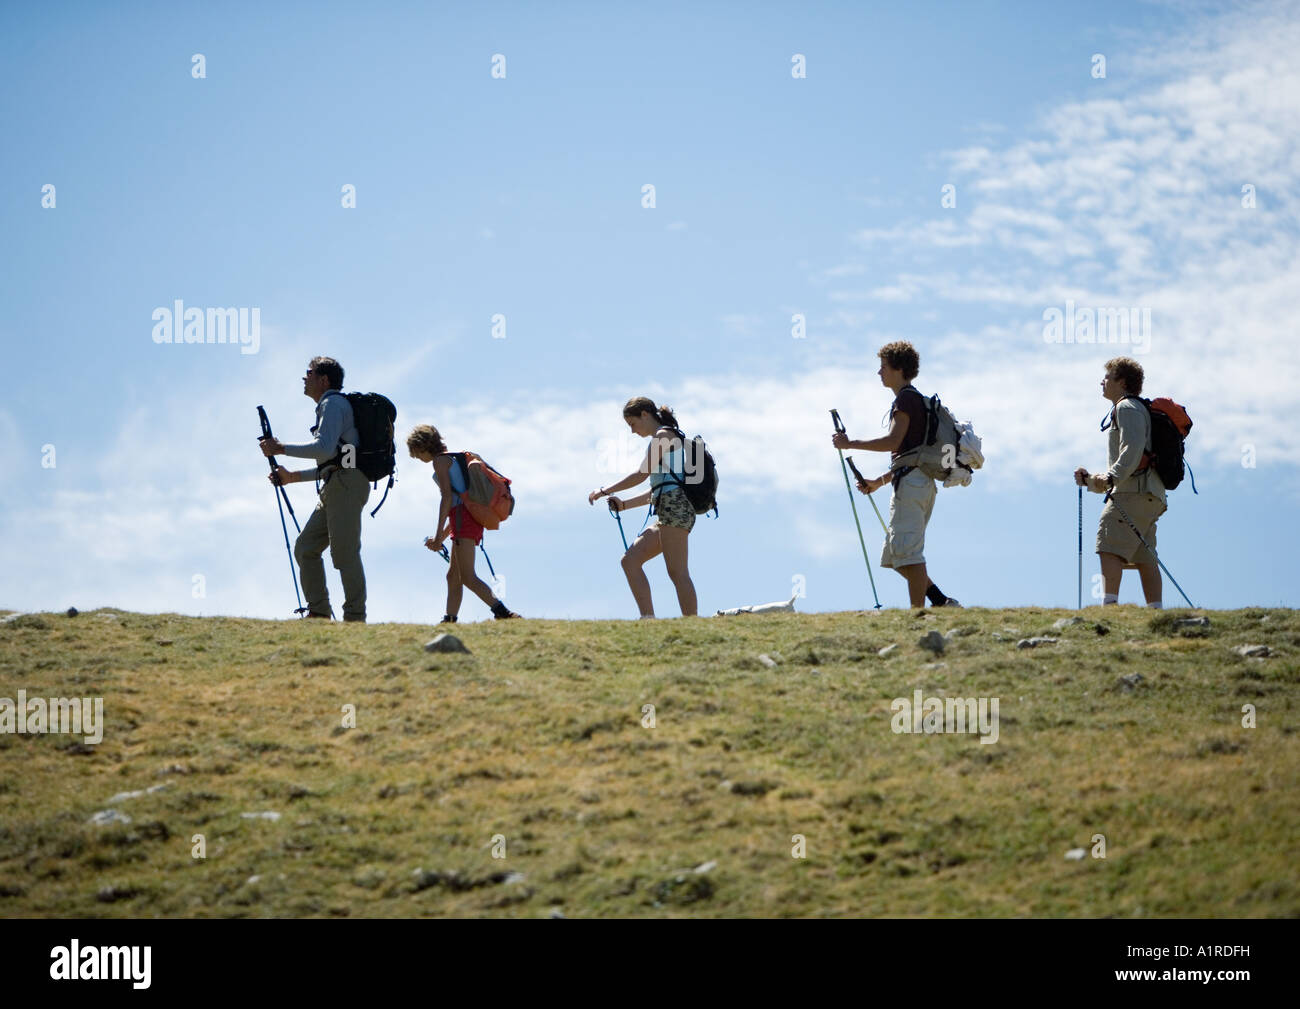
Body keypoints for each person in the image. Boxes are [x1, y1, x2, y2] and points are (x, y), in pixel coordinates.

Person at [831, 341, 960, 609]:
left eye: (883, 367)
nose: (879, 373)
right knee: (895, 556)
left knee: (909, 555)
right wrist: (878, 483)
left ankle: (917, 616)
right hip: (918, 482)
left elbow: (893, 441)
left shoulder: (905, 400)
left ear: (899, 369)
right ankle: (940, 602)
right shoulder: (917, 401)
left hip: (912, 485)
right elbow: (910, 455)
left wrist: (850, 443)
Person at [260, 357, 369, 621]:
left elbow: (323, 449)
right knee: (306, 547)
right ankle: (319, 612)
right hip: (339, 483)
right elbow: (337, 461)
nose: (304, 378)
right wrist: (292, 477)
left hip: (345, 485)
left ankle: (355, 617)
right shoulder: (334, 406)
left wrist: (280, 448)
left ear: (324, 380)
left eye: (308, 373)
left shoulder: (332, 404)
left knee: (344, 553)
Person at [588, 398, 698, 618]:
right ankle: (648, 619)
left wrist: (604, 490)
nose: (632, 431)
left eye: (632, 424)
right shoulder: (663, 438)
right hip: (667, 508)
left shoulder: (663, 436)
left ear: (645, 415)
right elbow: (656, 490)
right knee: (630, 561)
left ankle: (692, 623)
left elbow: (642, 474)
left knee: (677, 572)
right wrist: (624, 505)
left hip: (675, 508)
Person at [1074, 357, 1166, 608]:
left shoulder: (1126, 407)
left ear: (1121, 381)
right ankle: (1155, 611)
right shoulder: (1138, 408)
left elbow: (1132, 449)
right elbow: (1135, 457)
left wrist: (1111, 476)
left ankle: (1110, 607)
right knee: (1144, 555)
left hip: (1132, 493)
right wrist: (1092, 481)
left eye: (1107, 377)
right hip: (1150, 494)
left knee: (1108, 543)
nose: (1102, 381)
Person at [407, 424, 520, 622]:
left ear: (422, 447)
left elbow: (447, 499)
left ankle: (503, 613)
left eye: (416, 453)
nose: (417, 458)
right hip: (467, 518)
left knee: (467, 576)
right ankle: (450, 619)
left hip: (462, 519)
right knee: (453, 576)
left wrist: (437, 533)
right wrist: (439, 538)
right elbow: (462, 504)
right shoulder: (455, 457)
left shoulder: (440, 462)